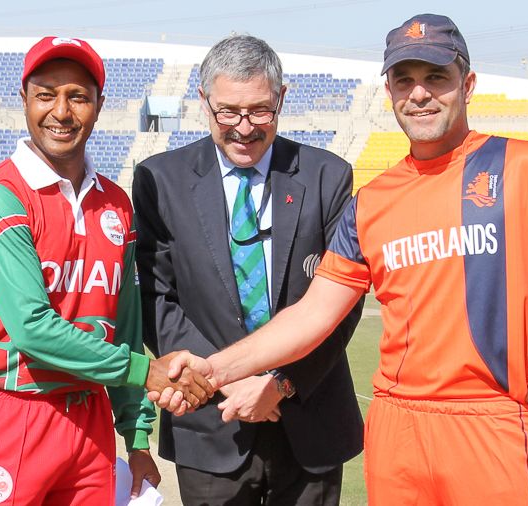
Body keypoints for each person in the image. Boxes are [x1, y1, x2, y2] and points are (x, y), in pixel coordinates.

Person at [167, 14, 528, 505]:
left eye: (435, 77)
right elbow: (313, 315)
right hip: (396, 430)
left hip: (490, 424)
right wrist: (213, 371)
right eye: (405, 80)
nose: (419, 93)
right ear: (390, 92)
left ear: (468, 84)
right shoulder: (373, 201)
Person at [0, 36, 213, 504]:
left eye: (77, 96)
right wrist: (145, 372)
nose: (61, 111)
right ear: (24, 100)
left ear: (98, 105)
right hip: (12, 411)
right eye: (46, 94)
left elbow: (126, 326)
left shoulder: (115, 203)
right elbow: (32, 330)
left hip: (90, 416)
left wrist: (136, 439)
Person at [133, 34, 364, 505]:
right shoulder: (160, 180)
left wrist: (279, 383)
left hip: (309, 418)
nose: (244, 127)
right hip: (209, 422)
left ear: (281, 98)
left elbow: (343, 302)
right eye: (228, 112)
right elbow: (157, 299)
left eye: (260, 110)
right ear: (204, 102)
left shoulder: (327, 176)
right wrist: (226, 379)